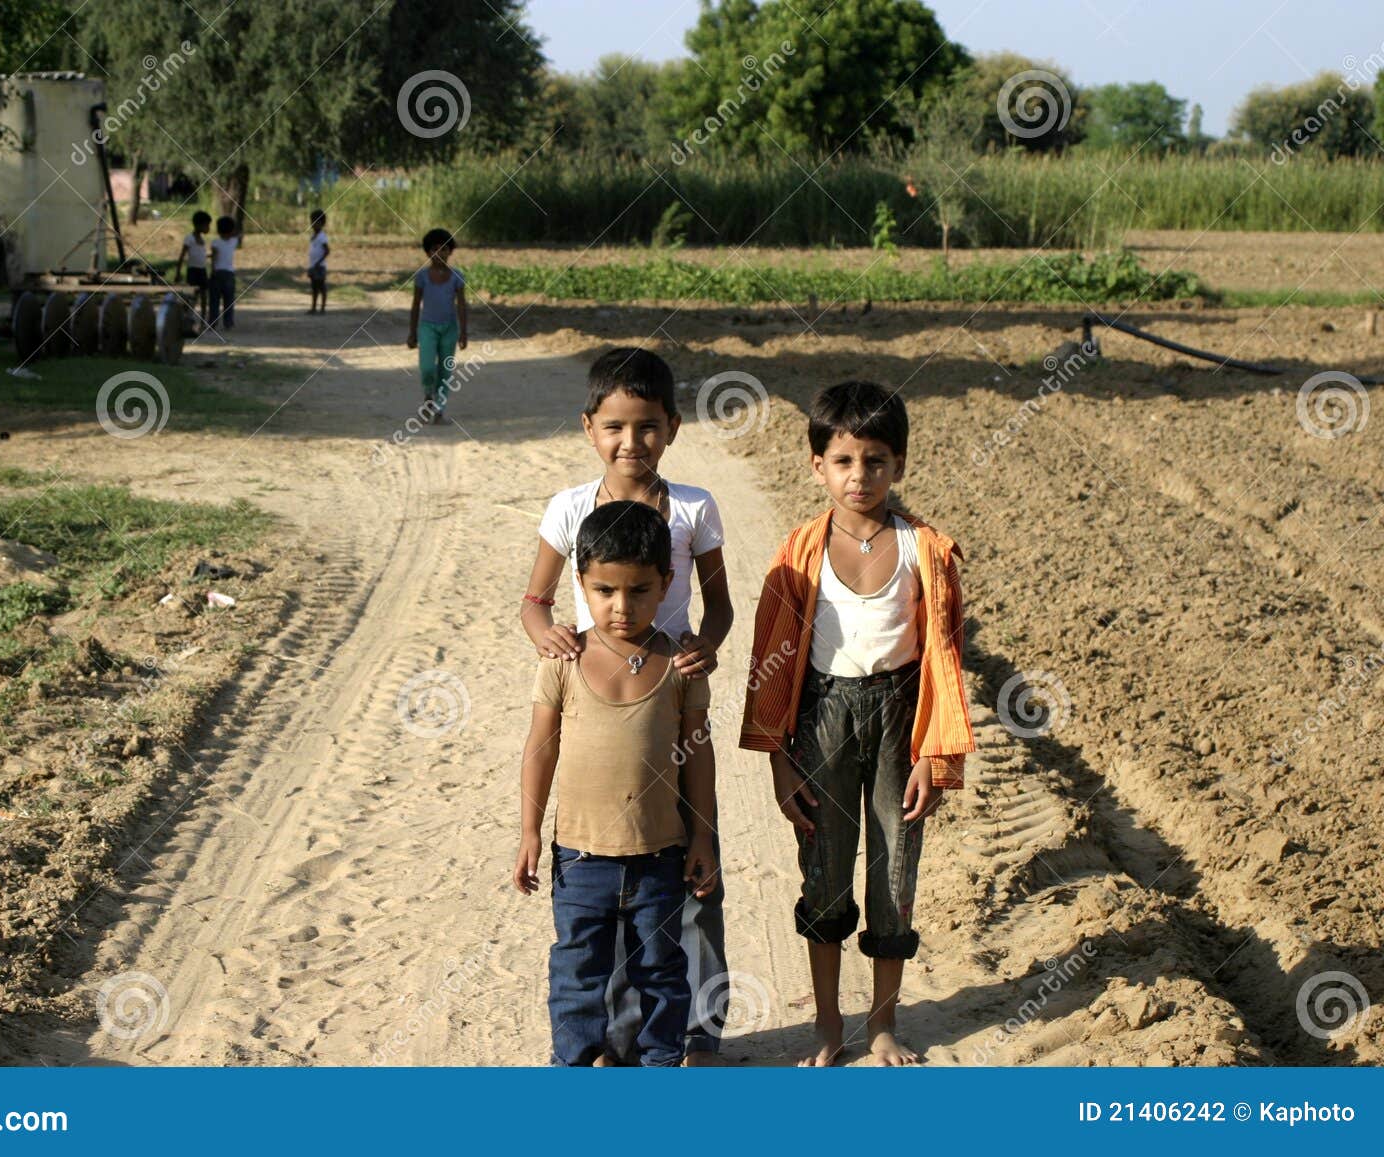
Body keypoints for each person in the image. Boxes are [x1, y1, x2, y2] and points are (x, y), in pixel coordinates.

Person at [739, 379, 976, 1066]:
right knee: (824, 871)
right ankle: (825, 1023)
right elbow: (770, 661)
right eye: (843, 460)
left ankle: (881, 1024)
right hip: (823, 719)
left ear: (899, 463)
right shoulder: (797, 554)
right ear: (817, 465)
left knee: (894, 877)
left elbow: (943, 656)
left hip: (900, 718)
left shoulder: (924, 550)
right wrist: (780, 759)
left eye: (875, 460)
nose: (859, 475)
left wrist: (936, 753)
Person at [520, 347, 734, 1065]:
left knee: (688, 890)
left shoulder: (694, 508)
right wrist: (547, 636)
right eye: (614, 425)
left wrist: (703, 642)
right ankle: (613, 1043)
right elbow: (534, 599)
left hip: (669, 690)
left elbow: (721, 604)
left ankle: (695, 1032)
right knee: (602, 913)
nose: (630, 441)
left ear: (671, 427)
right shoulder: (570, 508)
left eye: (647, 426)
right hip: (597, 681)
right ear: (589, 427)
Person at [406, 227, 467, 424]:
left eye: (444, 249)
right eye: (435, 249)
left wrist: (463, 332)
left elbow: (462, 306)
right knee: (427, 367)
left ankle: (439, 411)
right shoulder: (422, 277)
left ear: (450, 252)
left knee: (445, 370)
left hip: (449, 328)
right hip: (427, 328)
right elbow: (416, 305)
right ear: (428, 252)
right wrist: (412, 333)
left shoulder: (457, 277)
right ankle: (428, 395)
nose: (439, 254)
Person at [174, 210, 212, 318]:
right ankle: (188, 317)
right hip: (193, 270)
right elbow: (182, 256)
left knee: (204, 296)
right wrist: (178, 272)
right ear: (199, 225)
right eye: (207, 225)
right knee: (192, 295)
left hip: (202, 270)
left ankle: (203, 319)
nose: (208, 228)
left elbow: (200, 255)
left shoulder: (203, 240)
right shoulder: (189, 238)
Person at [208, 215, 241, 332]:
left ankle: (212, 322)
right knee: (229, 300)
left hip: (217, 272)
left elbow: (214, 259)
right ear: (231, 230)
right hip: (229, 274)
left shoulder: (215, 242)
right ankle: (228, 323)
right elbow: (238, 233)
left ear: (218, 229)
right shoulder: (233, 241)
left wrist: (212, 271)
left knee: (214, 300)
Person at [307, 209, 330, 315]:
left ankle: (322, 309)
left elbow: (327, 251)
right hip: (313, 265)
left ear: (321, 223)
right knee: (314, 288)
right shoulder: (313, 236)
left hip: (319, 266)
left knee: (321, 287)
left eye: (315, 222)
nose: (312, 224)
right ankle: (313, 308)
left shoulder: (322, 236)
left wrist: (318, 262)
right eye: (311, 221)